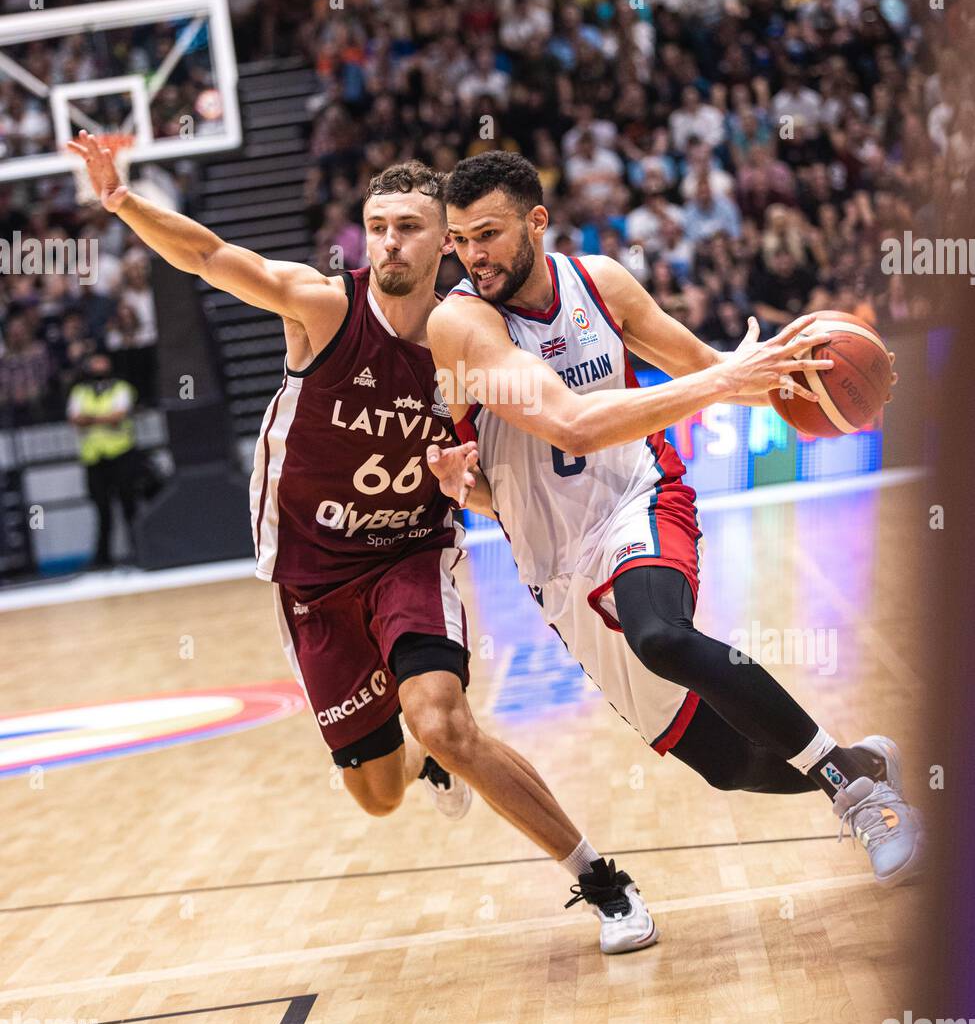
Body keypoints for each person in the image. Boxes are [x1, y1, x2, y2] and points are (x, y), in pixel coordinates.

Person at [66, 131, 658, 955]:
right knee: (379, 796)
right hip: (311, 576)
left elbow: (509, 477)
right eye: (377, 225)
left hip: (410, 552)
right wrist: (122, 200)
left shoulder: (471, 337)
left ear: (444, 242)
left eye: (409, 226)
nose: (388, 241)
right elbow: (206, 255)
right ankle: (425, 767)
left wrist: (467, 480)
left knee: (444, 718)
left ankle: (600, 879)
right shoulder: (324, 308)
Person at [428, 151, 924, 894]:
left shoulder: (600, 283)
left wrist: (814, 387)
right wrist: (466, 489)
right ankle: (859, 763)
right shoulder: (460, 322)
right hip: (554, 563)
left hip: (640, 496)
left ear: (537, 220)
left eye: (488, 235)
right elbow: (568, 427)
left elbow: (704, 365)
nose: (473, 256)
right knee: (726, 766)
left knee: (661, 636)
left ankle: (859, 798)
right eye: (460, 239)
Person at [66, 350, 140, 569]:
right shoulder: (79, 391)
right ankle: (102, 558)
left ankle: (140, 550)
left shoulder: (121, 388)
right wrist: (104, 419)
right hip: (94, 458)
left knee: (129, 505)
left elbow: (119, 415)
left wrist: (90, 418)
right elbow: (74, 418)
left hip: (121, 454)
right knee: (102, 509)